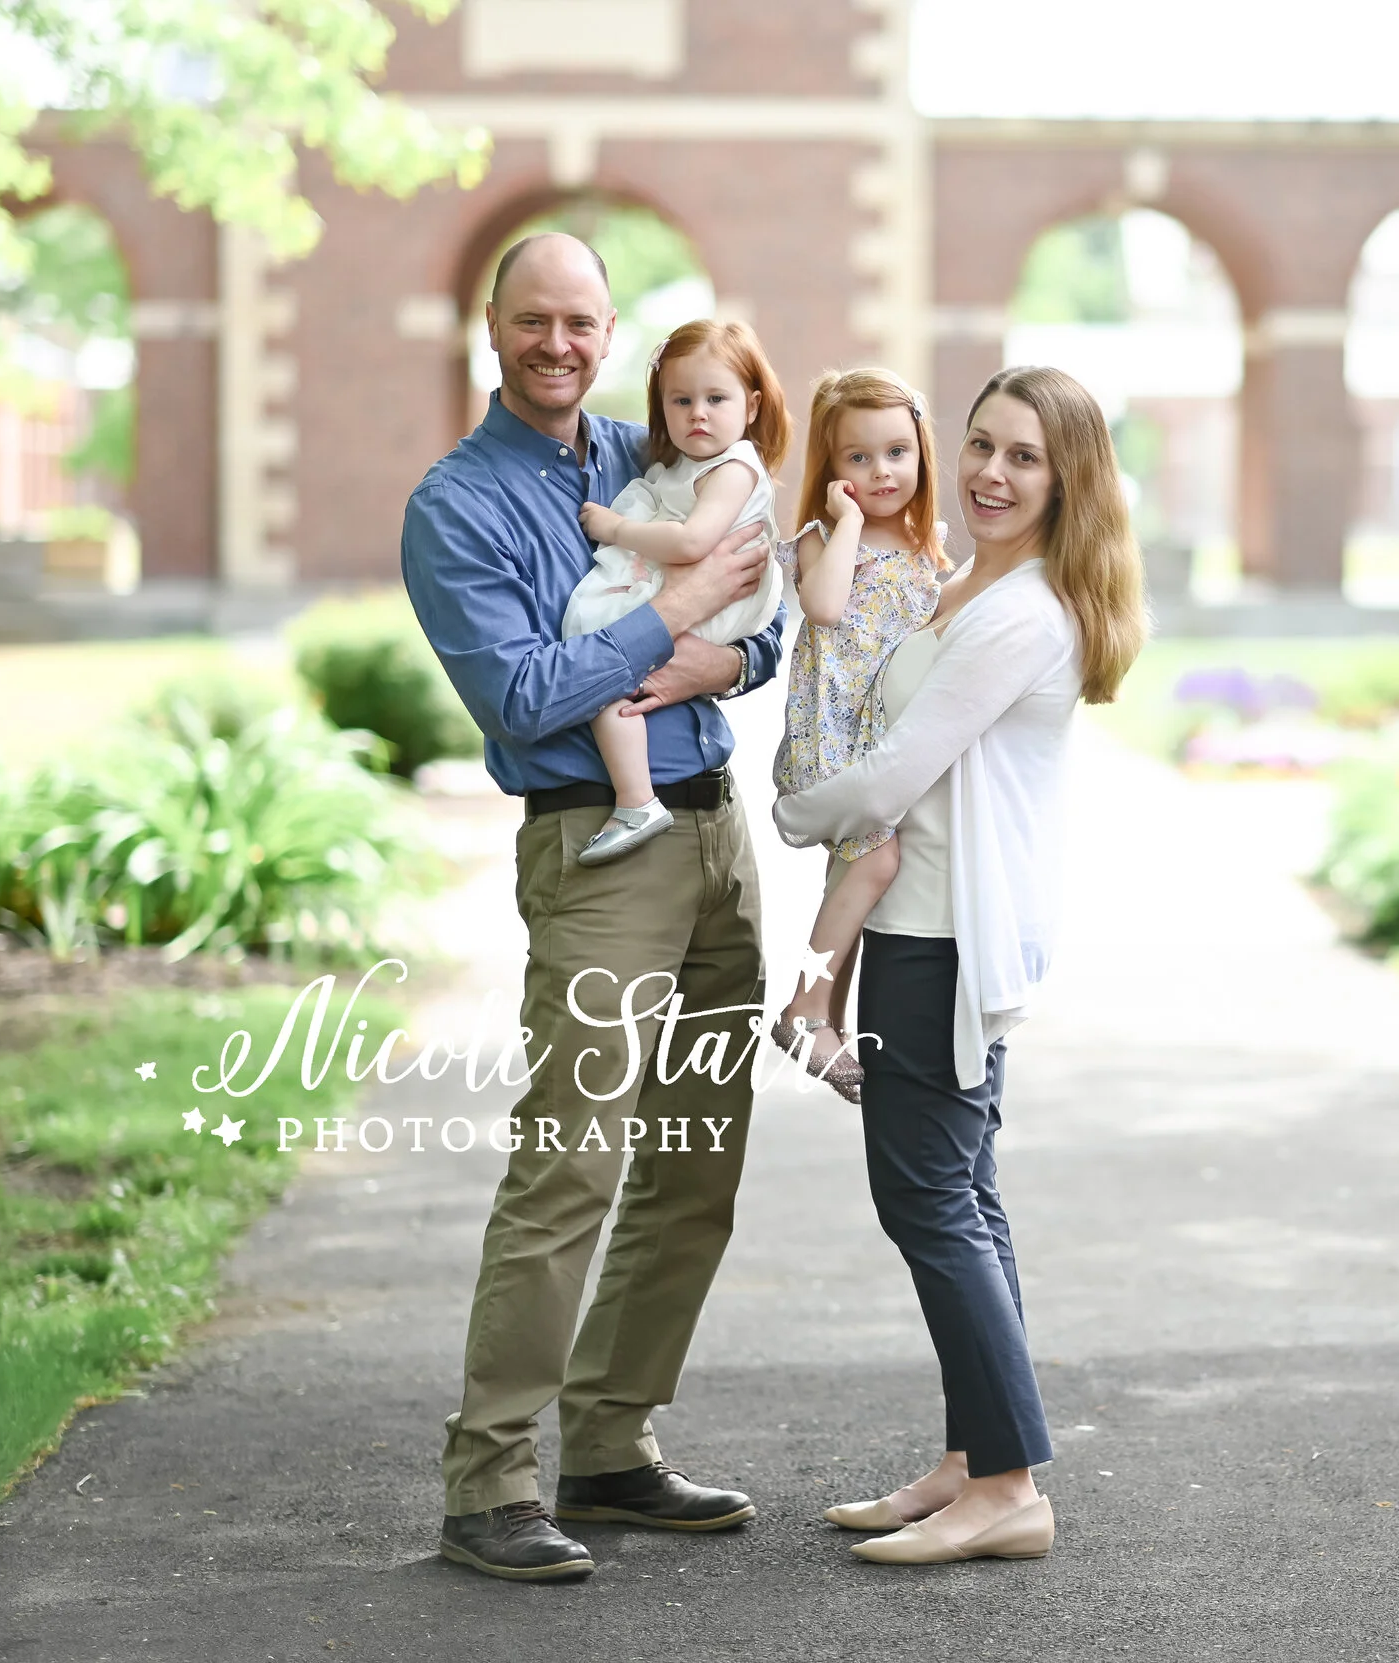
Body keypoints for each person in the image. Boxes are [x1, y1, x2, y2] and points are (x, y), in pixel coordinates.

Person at [400, 231, 780, 1584]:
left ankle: (612, 1442)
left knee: (698, 1159)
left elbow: (772, 608)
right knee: (572, 1161)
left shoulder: (654, 452)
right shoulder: (457, 505)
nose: (558, 344)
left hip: (718, 834)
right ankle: (488, 1478)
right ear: (492, 328)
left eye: (580, 322)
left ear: (608, 329)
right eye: (532, 321)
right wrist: (672, 608)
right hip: (598, 853)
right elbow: (521, 696)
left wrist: (707, 653)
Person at [770, 365, 1149, 1565]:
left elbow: (891, 777)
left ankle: (1011, 1488)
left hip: (942, 937)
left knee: (927, 1197)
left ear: (1065, 479)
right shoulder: (960, 588)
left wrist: (791, 817)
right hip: (913, 924)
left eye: (1023, 457)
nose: (990, 472)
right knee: (963, 1195)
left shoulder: (1020, 613)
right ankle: (971, 1456)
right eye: (980, 444)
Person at [763, 368, 954, 1102]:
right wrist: (844, 524)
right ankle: (805, 1007)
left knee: (849, 880)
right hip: (831, 737)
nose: (882, 472)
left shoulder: (919, 546)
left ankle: (825, 1011)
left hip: (878, 744)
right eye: (859, 458)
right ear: (832, 469)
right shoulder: (823, 539)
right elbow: (828, 607)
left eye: (897, 452)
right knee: (874, 866)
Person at [566, 319, 791, 865]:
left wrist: (616, 530)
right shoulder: (688, 465)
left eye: (717, 398)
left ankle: (636, 799)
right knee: (604, 661)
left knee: (603, 652)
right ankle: (638, 796)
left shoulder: (735, 466)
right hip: (695, 586)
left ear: (753, 405)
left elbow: (692, 542)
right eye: (681, 399)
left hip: (722, 599)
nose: (698, 413)